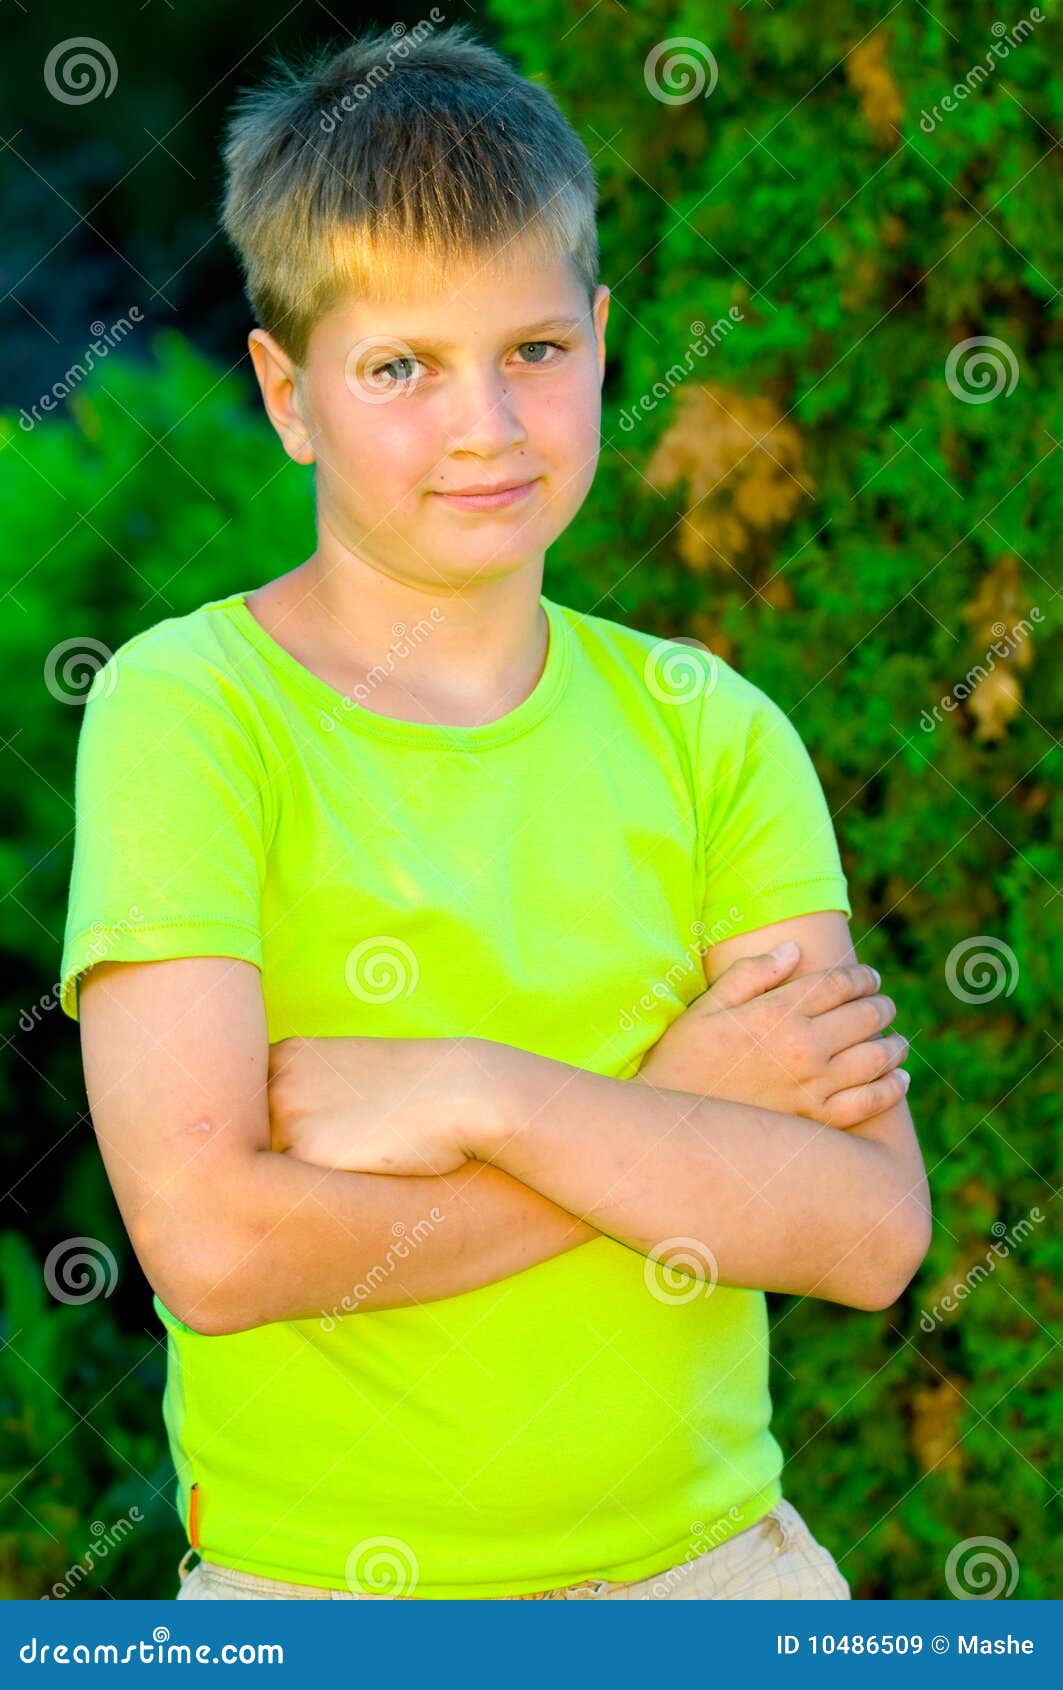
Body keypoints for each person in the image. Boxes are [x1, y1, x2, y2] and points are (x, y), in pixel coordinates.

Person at [59, 23, 930, 1602]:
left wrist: (483, 1094)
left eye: (533, 349)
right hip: (325, 1601)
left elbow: (866, 1230)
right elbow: (221, 1247)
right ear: (289, 393)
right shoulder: (190, 712)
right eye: (402, 367)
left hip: (721, 1581)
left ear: (601, 341)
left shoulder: (713, 732)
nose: (488, 426)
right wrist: (672, 1111)